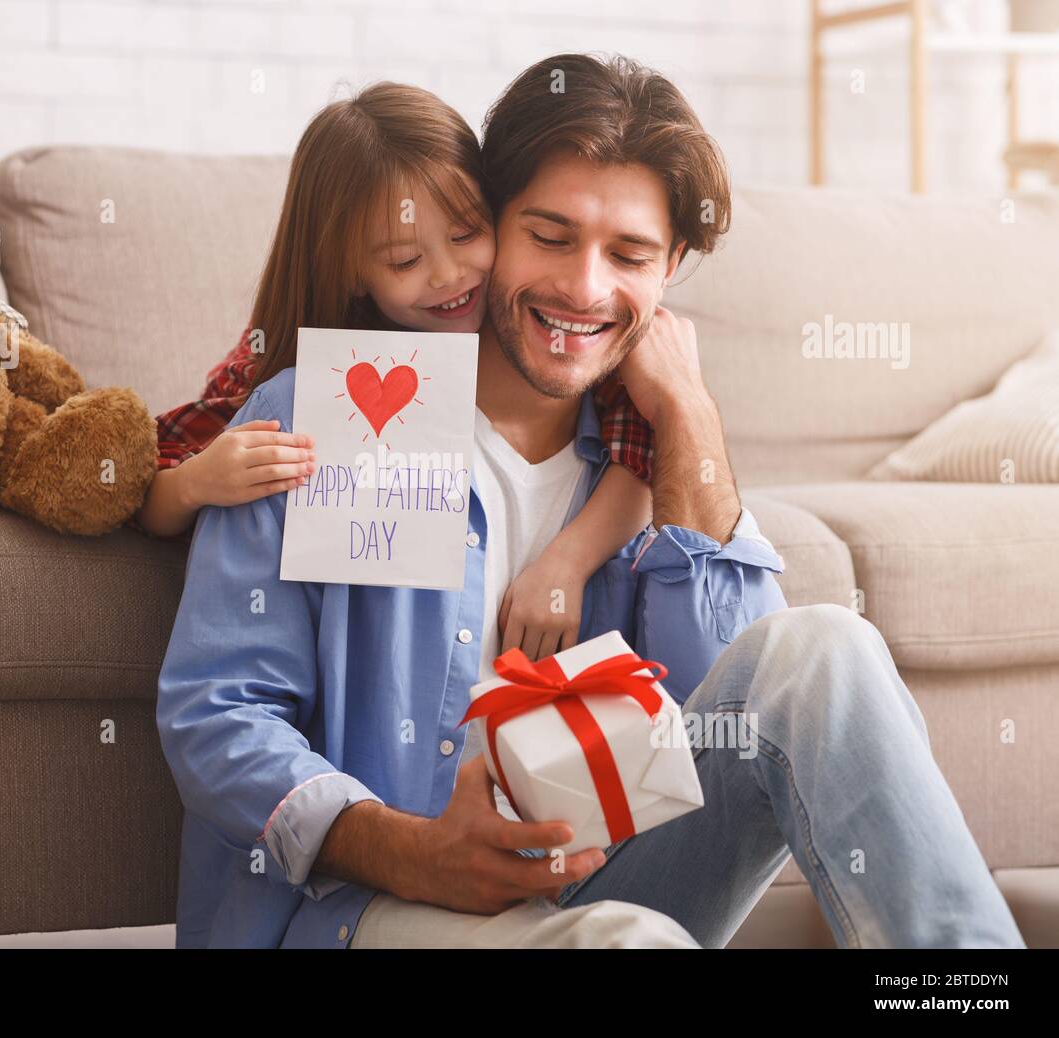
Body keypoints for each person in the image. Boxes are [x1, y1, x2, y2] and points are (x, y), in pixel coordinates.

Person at [156, 53, 1026, 950]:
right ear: (488, 218)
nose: (584, 289)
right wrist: (414, 852)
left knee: (825, 648)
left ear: (672, 268)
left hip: (602, 886)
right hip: (363, 908)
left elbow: (722, 729)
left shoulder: (638, 455)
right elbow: (219, 713)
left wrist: (687, 413)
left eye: (631, 255)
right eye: (552, 235)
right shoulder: (331, 414)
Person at [136, 81, 652, 659]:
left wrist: (567, 561)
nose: (448, 275)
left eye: (466, 235)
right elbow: (146, 484)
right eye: (405, 259)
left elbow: (645, 450)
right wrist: (191, 485)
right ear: (352, 272)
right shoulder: (293, 381)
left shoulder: (541, 329)